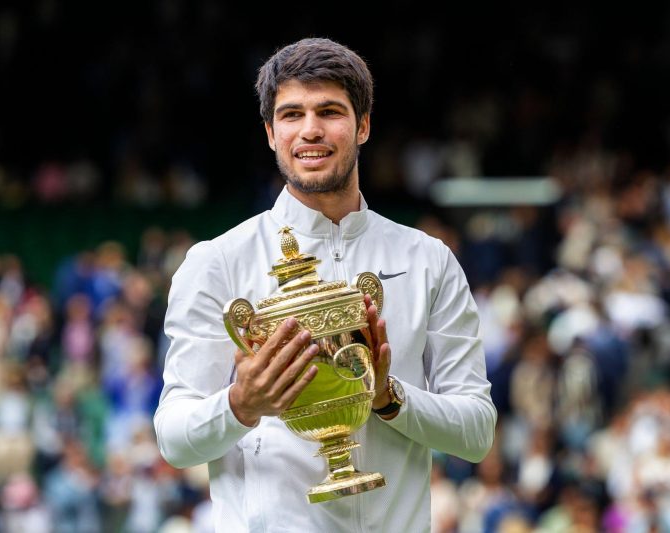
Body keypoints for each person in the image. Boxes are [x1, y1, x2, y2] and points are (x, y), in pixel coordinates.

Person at [153, 37, 497, 532]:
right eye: (292, 115)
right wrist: (240, 404)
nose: (310, 130)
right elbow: (175, 439)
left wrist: (389, 397)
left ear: (363, 125)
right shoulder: (217, 263)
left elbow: (477, 432)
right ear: (271, 133)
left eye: (329, 111)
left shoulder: (427, 259)